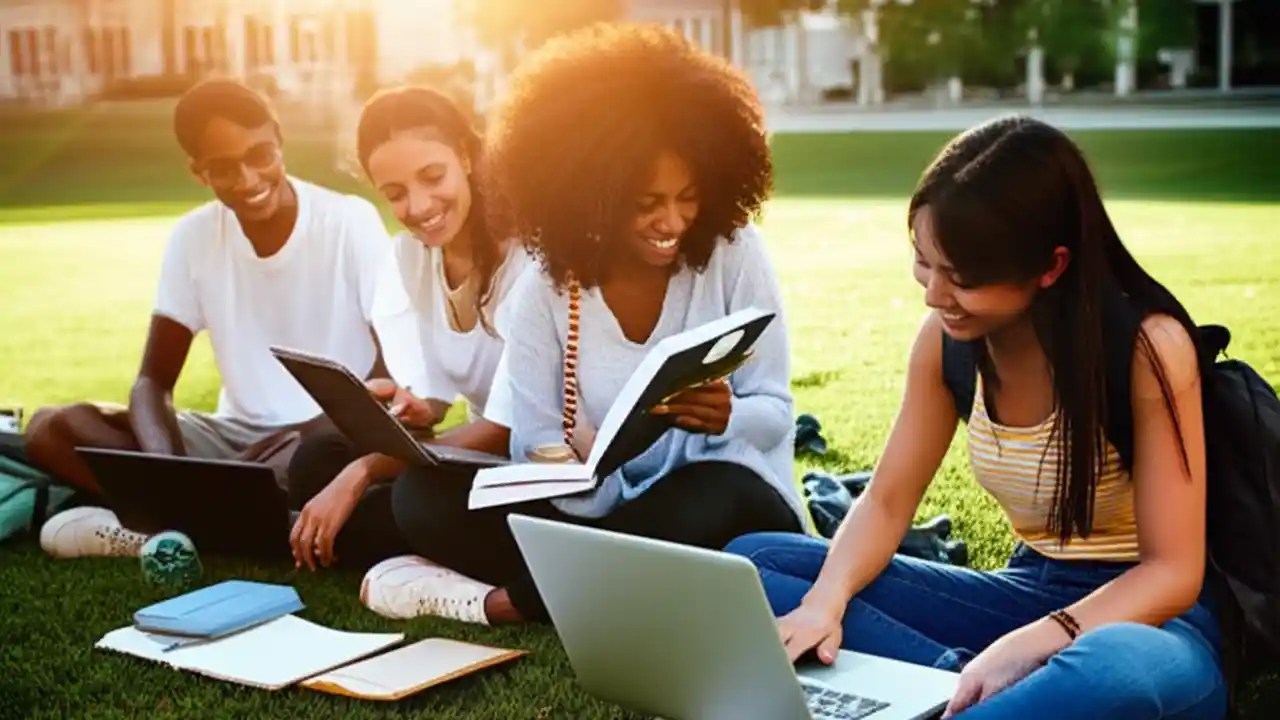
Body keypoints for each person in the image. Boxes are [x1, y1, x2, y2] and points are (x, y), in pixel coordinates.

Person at [726, 116, 1226, 719]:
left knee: (1109, 670)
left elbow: (1173, 572)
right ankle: (967, 691)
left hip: (1153, 623)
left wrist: (1033, 643)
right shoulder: (946, 344)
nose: (934, 295)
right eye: (924, 262)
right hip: (1027, 589)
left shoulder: (1148, 347)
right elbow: (885, 502)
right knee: (759, 565)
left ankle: (980, 692)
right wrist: (824, 604)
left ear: (1051, 266)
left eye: (962, 277)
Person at [356, 22, 806, 627]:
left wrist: (730, 415)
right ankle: (617, 584)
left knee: (719, 493)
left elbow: (775, 412)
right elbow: (530, 443)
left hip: (718, 506)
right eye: (646, 203)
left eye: (688, 196)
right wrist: (580, 461)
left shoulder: (733, 251)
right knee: (421, 495)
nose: (672, 221)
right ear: (591, 194)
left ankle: (510, 603)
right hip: (595, 514)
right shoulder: (550, 284)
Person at [27, 79, 392, 559]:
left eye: (260, 155)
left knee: (316, 458)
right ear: (199, 172)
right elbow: (152, 382)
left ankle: (166, 522)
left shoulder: (349, 221)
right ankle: (197, 513)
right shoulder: (192, 237)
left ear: (279, 139)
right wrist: (172, 470)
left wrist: (303, 434)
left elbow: (391, 370)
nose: (248, 179)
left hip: (325, 436)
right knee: (50, 428)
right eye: (224, 168)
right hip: (232, 439)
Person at [284, 86, 530, 572]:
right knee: (316, 458)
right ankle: (353, 533)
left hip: (527, 463)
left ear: (466, 153)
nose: (418, 207)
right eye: (395, 194)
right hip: (470, 460)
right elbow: (436, 402)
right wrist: (407, 409)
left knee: (411, 498)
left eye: (432, 177)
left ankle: (354, 536)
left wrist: (368, 468)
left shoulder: (529, 262)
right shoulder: (412, 258)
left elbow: (506, 429)